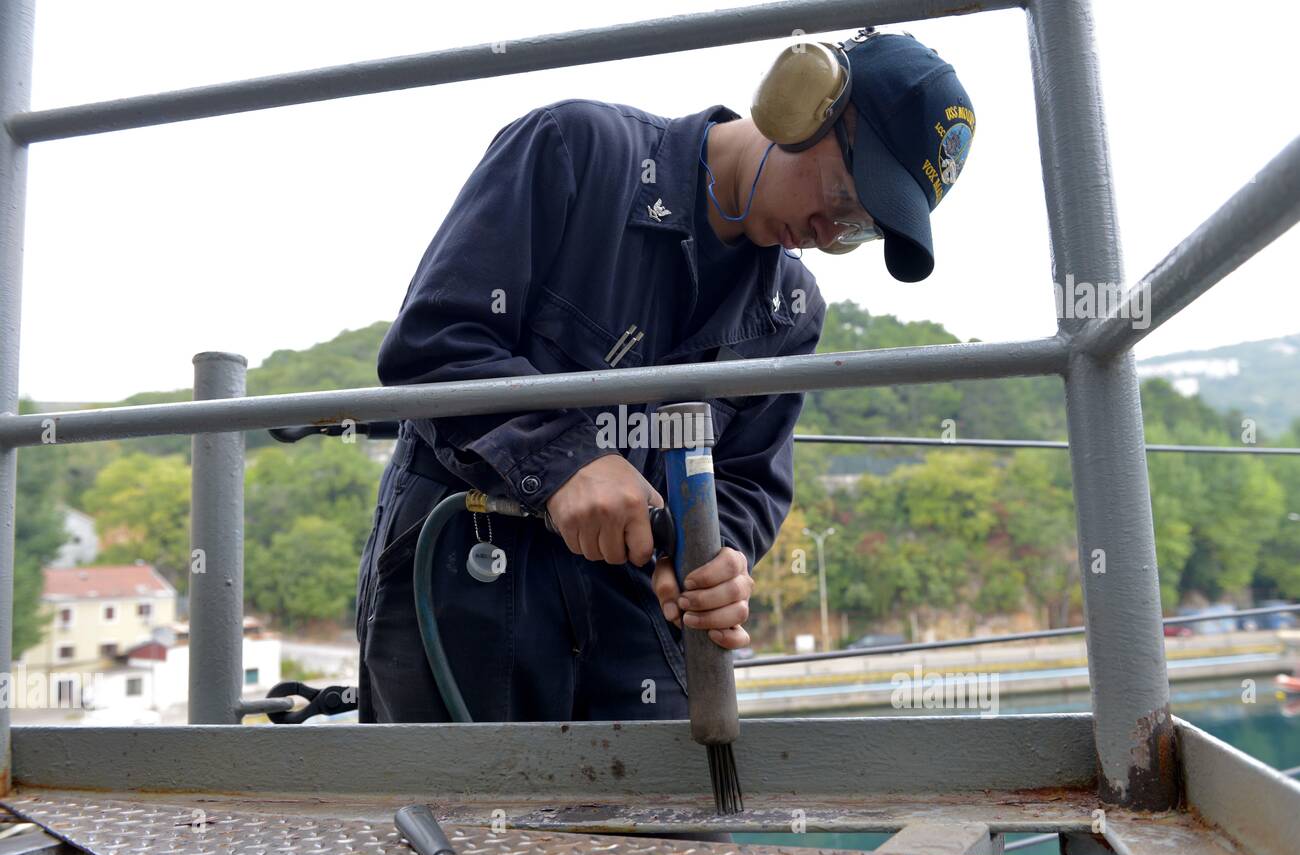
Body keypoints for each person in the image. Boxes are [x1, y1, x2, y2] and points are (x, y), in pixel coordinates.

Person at [355, 27, 975, 723]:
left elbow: (748, 480)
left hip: (635, 607)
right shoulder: (577, 152)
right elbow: (433, 344)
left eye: (860, 228)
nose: (832, 233)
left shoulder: (791, 313)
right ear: (801, 101)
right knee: (453, 827)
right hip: (461, 578)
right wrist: (567, 464)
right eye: (842, 195)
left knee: (674, 828)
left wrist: (716, 561)